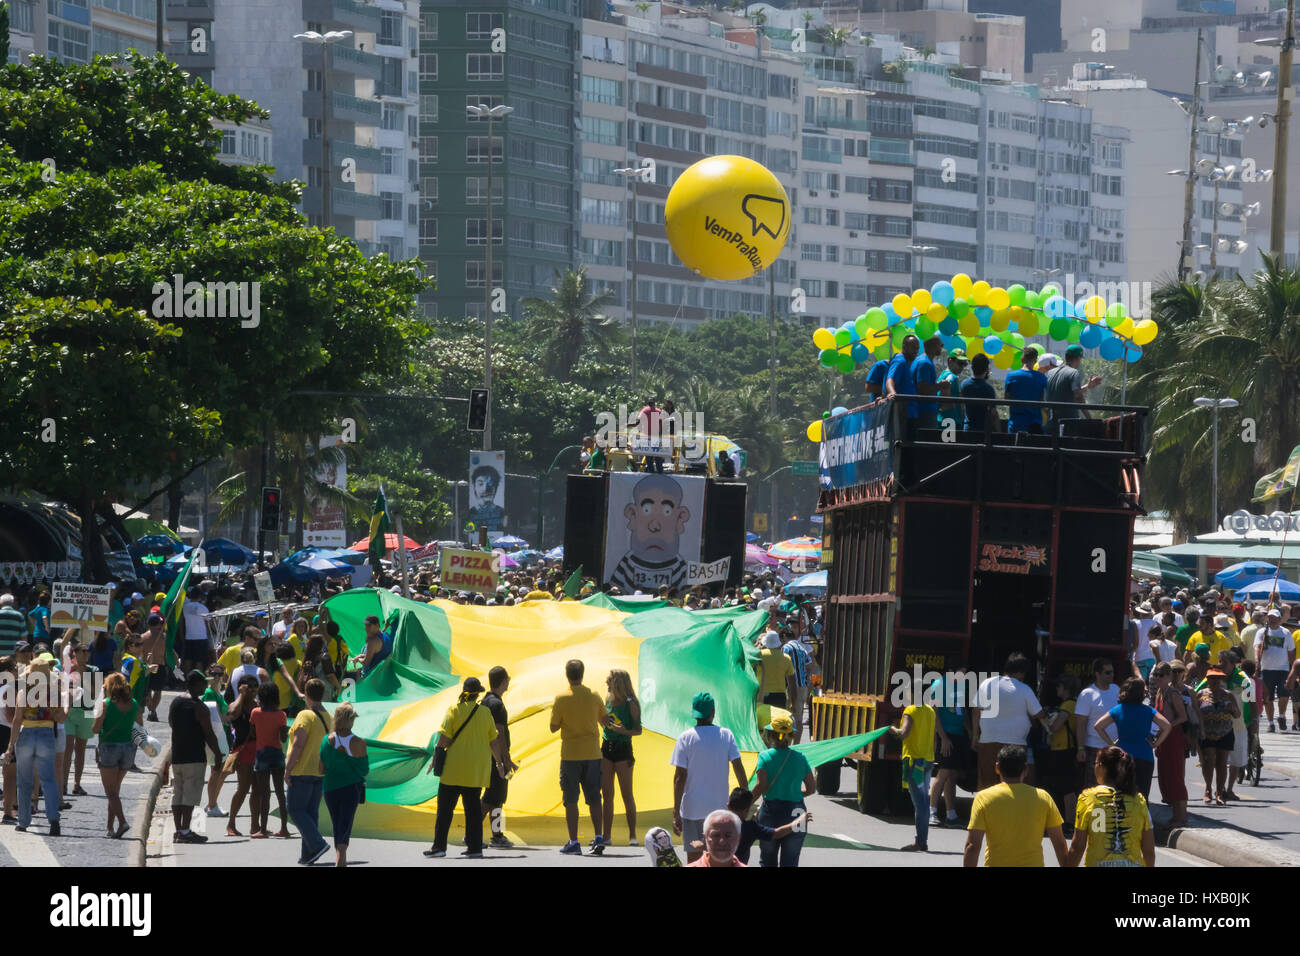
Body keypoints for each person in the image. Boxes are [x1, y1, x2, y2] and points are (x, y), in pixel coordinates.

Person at [427, 677, 502, 859]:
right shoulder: (485, 713)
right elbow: (494, 742)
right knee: (473, 812)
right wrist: (499, 764)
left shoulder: (453, 710)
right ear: (478, 695)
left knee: (445, 810)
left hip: (452, 771)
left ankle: (439, 847)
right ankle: (475, 848)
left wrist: (435, 759)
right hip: (475, 772)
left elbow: (443, 740)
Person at [670, 691, 747, 864]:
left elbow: (679, 777)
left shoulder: (685, 738)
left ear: (694, 713)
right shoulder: (726, 735)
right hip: (720, 810)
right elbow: (738, 767)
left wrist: (676, 811)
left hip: (692, 809)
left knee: (693, 858)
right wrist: (745, 801)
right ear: (713, 712)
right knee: (722, 857)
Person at [964, 745, 1067, 867]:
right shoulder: (1043, 797)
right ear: (1026, 770)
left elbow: (973, 846)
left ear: (997, 768)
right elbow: (1059, 843)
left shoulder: (984, 797)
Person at [548, 659, 608, 855]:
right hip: (592, 753)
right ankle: (599, 837)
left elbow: (553, 727)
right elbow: (604, 720)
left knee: (571, 799)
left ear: (567, 675)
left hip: (571, 755)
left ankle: (574, 841)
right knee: (594, 797)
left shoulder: (561, 698)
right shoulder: (594, 695)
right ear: (583, 674)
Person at [1064, 746, 1155, 867]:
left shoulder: (1088, 798)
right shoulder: (1139, 801)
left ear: (1102, 767)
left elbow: (1078, 847)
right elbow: (1149, 851)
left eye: (1095, 763)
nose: (1094, 767)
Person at [749, 715, 815, 866]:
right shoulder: (800, 758)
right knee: (791, 861)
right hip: (797, 813)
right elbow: (811, 789)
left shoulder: (765, 757)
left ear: (770, 735)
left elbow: (760, 787)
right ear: (791, 735)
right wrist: (794, 793)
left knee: (768, 859)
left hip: (771, 813)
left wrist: (746, 804)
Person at [92, 668, 150, 839]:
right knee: (115, 790)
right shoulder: (133, 703)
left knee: (110, 792)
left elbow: (95, 729)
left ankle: (123, 822)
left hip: (109, 747)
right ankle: (110, 827)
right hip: (128, 748)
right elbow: (140, 724)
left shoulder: (106, 704)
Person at [973, 653, 1043, 790]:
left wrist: (975, 736)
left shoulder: (987, 683)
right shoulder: (1025, 689)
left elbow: (976, 711)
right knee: (1013, 786)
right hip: (1015, 745)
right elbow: (1038, 714)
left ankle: (985, 810)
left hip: (988, 741)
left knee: (986, 785)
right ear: (1021, 672)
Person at [1093, 677, 1171, 800]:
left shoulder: (1118, 710)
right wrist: (1156, 744)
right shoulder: (1148, 710)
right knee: (1142, 797)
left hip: (1123, 758)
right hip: (1145, 757)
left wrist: (1112, 744)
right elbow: (1167, 726)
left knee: (1122, 796)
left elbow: (1098, 726)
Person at [168, 670, 222, 844]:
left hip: (177, 755)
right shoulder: (199, 707)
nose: (205, 686)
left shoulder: (175, 702)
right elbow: (209, 734)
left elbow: (171, 722)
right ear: (194, 685)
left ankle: (178, 831)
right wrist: (218, 754)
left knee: (178, 794)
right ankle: (185, 830)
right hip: (194, 757)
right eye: (203, 683)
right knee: (190, 796)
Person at [283, 678, 333, 865]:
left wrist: (288, 769)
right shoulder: (329, 717)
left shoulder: (305, 715)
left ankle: (317, 843)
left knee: (295, 809)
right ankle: (308, 854)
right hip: (319, 771)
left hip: (302, 769)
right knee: (310, 814)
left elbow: (298, 744)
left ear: (306, 693)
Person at [888, 681, 935, 851]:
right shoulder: (930, 711)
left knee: (920, 802)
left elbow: (904, 733)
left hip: (915, 763)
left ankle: (921, 841)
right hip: (927, 761)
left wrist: (891, 728)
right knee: (923, 799)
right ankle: (922, 839)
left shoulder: (911, 710)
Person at [321, 702, 369, 867]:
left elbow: (321, 769)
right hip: (351, 787)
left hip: (330, 788)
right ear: (351, 721)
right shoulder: (359, 743)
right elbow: (364, 771)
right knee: (346, 822)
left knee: (337, 822)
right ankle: (340, 859)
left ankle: (341, 858)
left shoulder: (326, 742)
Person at [600, 668, 641, 847]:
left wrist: (623, 731)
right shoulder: (607, 698)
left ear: (617, 682)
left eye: (609, 679)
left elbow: (638, 730)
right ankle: (606, 835)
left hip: (623, 749)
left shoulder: (631, 703)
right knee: (607, 795)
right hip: (606, 748)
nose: (606, 682)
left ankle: (632, 835)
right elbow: (603, 719)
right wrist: (602, 721)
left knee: (627, 794)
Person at [480, 666, 519, 849]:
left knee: (497, 798)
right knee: (491, 798)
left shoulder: (485, 701)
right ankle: (472, 832)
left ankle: (497, 835)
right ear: (503, 681)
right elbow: (499, 734)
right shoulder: (497, 705)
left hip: (485, 755)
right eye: (507, 680)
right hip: (496, 758)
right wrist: (505, 759)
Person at [1040, 673, 1082, 835]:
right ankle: (1063, 820)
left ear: (1066, 689)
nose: (1056, 688)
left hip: (1065, 750)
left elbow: (1055, 726)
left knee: (1067, 787)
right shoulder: (1066, 704)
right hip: (1059, 749)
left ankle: (1070, 822)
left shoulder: (1069, 705)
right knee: (1059, 785)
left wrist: (1043, 718)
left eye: (1059, 686)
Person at [1150, 662, 1189, 828]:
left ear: (1168, 676)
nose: (1157, 678)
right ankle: (1175, 815)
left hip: (1173, 737)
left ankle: (1182, 816)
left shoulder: (1173, 693)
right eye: (1156, 674)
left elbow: (1183, 717)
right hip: (1163, 736)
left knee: (1175, 776)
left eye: (1161, 675)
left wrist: (1168, 726)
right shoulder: (1159, 692)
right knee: (1165, 776)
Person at [931, 671, 972, 827]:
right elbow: (934, 712)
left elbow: (962, 710)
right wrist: (943, 738)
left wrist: (969, 730)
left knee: (953, 774)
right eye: (961, 673)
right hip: (946, 734)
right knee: (944, 771)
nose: (963, 676)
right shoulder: (940, 684)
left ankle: (951, 814)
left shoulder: (961, 685)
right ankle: (932, 811)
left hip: (959, 734)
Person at [249, 682, 289, 839]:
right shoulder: (281, 715)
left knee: (264, 793)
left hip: (262, 755)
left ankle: (263, 829)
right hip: (277, 754)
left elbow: (253, 733)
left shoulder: (255, 713)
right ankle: (284, 828)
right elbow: (283, 738)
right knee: (280, 792)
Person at [1074, 658, 1120, 789]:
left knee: (1112, 785)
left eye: (1112, 672)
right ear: (1097, 674)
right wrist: (1081, 748)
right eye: (1107, 672)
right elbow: (1081, 724)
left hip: (1114, 747)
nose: (1112, 675)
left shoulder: (1116, 689)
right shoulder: (1087, 694)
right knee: (1094, 786)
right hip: (1094, 747)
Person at [1197, 668, 1240, 805]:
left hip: (1225, 733)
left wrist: (1232, 709)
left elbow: (1237, 714)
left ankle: (1220, 792)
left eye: (1217, 678)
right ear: (1207, 680)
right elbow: (1195, 714)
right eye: (1212, 678)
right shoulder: (1200, 694)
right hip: (1206, 733)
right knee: (1208, 761)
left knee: (1222, 764)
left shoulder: (1228, 695)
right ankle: (1208, 789)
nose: (1215, 681)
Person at [62, 640, 98, 798]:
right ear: (74, 654)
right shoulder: (68, 670)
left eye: (87, 651)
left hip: (87, 712)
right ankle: (63, 783)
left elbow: (95, 693)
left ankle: (77, 783)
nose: (84, 654)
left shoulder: (94, 670)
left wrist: (83, 675)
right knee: (68, 749)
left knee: (81, 749)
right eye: (81, 651)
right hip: (70, 712)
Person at [224, 674, 260, 837]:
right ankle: (231, 823)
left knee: (257, 789)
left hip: (257, 749)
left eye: (254, 687)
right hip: (243, 749)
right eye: (248, 687)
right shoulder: (237, 704)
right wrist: (241, 695)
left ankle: (255, 826)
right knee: (243, 788)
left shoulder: (257, 705)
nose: (251, 691)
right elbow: (232, 712)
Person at [1044, 344, 1102, 434]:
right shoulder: (1074, 373)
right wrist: (1089, 418)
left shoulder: (1050, 372)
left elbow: (1065, 392)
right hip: (1067, 424)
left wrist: (1087, 386)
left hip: (1051, 423)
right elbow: (1078, 397)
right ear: (1078, 358)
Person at [1255, 607, 1295, 732]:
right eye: (1270, 618)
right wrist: (1257, 662)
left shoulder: (1286, 633)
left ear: (1279, 619)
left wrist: (1292, 667)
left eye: (1275, 618)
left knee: (1284, 695)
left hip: (1283, 669)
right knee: (1268, 698)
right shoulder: (1262, 632)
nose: (1272, 620)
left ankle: (1282, 716)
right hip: (1267, 669)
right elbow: (1256, 647)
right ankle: (1271, 723)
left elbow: (1291, 651)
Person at [1003, 345, 1047, 434]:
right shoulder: (1042, 377)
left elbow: (1007, 399)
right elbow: (1042, 400)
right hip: (1035, 425)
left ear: (1022, 359)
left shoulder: (1011, 376)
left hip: (1015, 424)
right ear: (1035, 361)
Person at [911, 335, 947, 424]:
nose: (941, 348)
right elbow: (923, 389)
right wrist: (940, 386)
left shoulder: (921, 359)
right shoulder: (925, 363)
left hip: (922, 410)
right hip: (924, 412)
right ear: (934, 346)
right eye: (940, 345)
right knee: (925, 437)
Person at [139, 613, 168, 721]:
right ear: (159, 623)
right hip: (159, 665)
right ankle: (153, 710)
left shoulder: (142, 637)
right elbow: (168, 652)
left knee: (148, 691)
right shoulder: (164, 637)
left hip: (146, 666)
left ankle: (152, 710)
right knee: (158, 691)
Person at [885, 334, 921, 420]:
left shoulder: (904, 362)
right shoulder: (900, 361)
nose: (916, 351)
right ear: (904, 346)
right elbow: (889, 381)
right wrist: (892, 393)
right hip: (903, 415)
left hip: (909, 413)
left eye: (917, 348)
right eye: (913, 347)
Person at [756, 631, 795, 709]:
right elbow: (792, 682)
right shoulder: (786, 658)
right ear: (778, 643)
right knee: (779, 720)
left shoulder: (758, 655)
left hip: (761, 694)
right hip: (780, 696)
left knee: (763, 719)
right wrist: (793, 701)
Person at [960, 353, 998, 432]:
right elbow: (993, 413)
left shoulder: (964, 384)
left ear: (972, 367)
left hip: (967, 428)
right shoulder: (988, 389)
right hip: (983, 430)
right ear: (987, 369)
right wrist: (1000, 432)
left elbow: (960, 407)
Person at [937, 348, 967, 429]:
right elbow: (944, 403)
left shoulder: (943, 374)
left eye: (964, 364)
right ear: (950, 361)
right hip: (950, 422)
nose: (962, 367)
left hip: (944, 420)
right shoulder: (952, 377)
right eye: (960, 363)